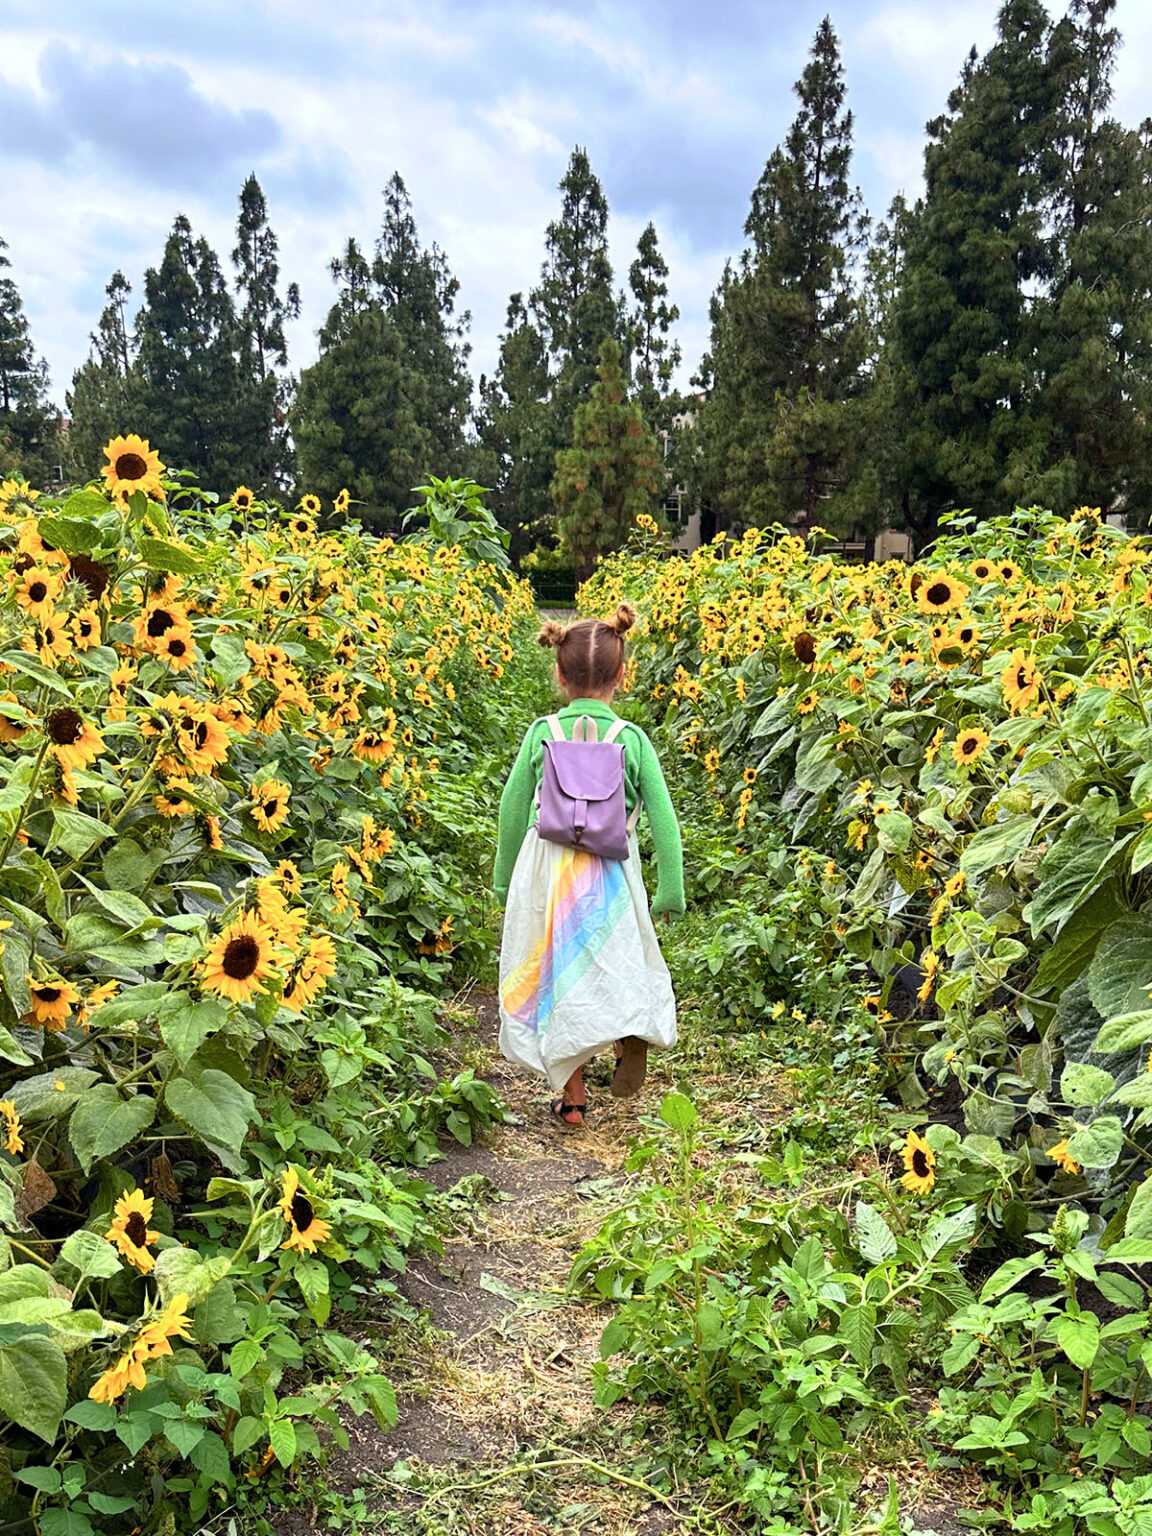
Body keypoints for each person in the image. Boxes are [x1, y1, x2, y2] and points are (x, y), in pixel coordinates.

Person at [493, 604, 684, 1127]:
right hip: (610, 874)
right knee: (611, 958)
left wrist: (502, 878)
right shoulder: (631, 739)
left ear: (558, 673)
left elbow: (513, 809)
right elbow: (664, 819)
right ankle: (625, 1032)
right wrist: (671, 889)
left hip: (548, 872)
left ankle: (573, 1099)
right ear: (622, 675)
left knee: (556, 973)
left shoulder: (541, 733)